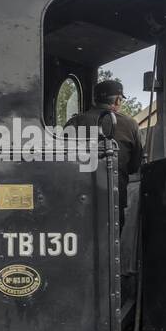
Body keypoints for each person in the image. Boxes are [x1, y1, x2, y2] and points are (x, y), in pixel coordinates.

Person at [67, 77, 145, 225]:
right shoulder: (130, 125)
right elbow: (134, 166)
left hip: (78, 196)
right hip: (115, 196)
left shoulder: (75, 122)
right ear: (117, 101)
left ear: (95, 100)